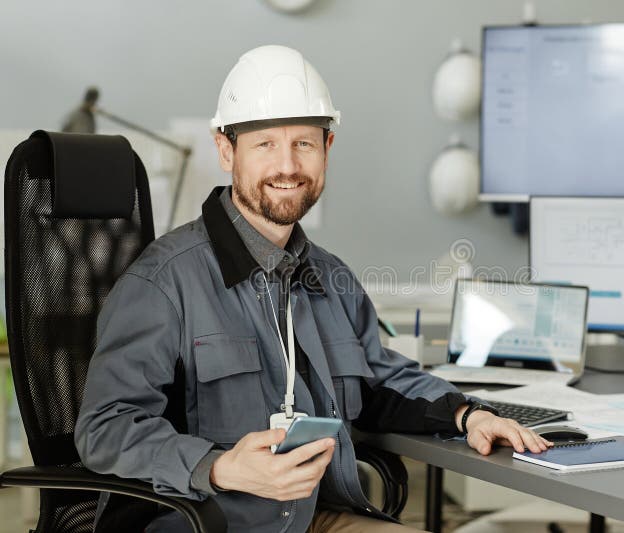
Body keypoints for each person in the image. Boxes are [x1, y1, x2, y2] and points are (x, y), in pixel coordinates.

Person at [74, 45, 552, 533]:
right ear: (225, 151)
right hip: (210, 522)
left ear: (327, 149)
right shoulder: (164, 281)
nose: (287, 166)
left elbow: (380, 379)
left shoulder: (330, 277)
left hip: (313, 517)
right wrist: (218, 466)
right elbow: (104, 427)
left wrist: (467, 414)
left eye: (303, 144)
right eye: (265, 145)